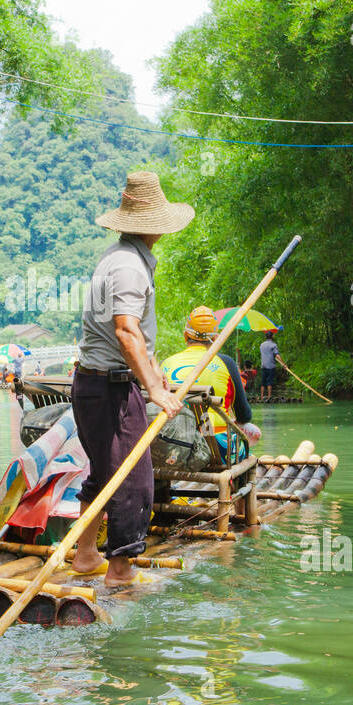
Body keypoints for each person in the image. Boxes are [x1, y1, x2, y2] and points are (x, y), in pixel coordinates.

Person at [70, 170, 193, 586]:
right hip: (110, 390)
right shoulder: (128, 267)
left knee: (106, 473)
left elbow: (137, 335)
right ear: (154, 226)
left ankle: (86, 556)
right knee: (134, 483)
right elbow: (125, 330)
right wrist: (155, 390)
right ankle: (119, 574)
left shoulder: (120, 257)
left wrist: (156, 376)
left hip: (99, 385)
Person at [161, 307, 261, 457]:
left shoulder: (165, 364)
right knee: (250, 436)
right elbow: (244, 415)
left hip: (172, 448)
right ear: (215, 338)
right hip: (216, 451)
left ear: (185, 335)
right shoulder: (226, 363)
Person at [259, 329, 281, 401]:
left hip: (263, 365)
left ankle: (261, 396)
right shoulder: (273, 345)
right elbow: (277, 356)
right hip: (270, 366)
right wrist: (283, 363)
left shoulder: (262, 345)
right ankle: (269, 396)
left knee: (263, 381)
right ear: (272, 337)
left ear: (266, 337)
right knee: (269, 382)